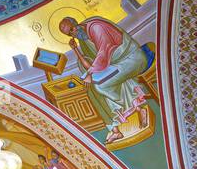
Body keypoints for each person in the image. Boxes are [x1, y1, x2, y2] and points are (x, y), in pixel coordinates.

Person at [59, 14, 149, 144]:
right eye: (69, 34)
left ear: (76, 24)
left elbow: (103, 53)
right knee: (92, 90)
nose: (73, 35)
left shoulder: (95, 28)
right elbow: (90, 60)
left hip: (131, 59)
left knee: (101, 86)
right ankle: (115, 130)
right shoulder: (83, 36)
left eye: (72, 29)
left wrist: (90, 74)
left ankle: (139, 108)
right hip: (115, 64)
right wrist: (75, 50)